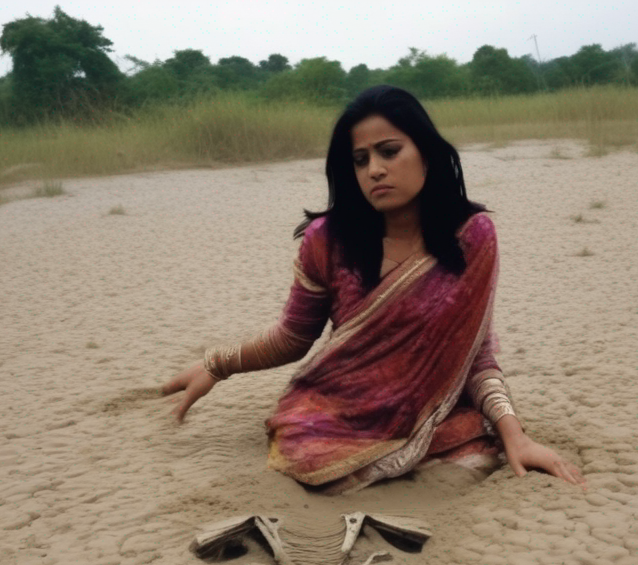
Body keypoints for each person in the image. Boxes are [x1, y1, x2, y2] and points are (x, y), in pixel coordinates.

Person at [163, 85, 585, 494]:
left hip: (424, 410)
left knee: (478, 447)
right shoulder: (326, 240)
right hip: (335, 407)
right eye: (360, 160)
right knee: (306, 453)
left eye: (389, 151)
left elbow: (476, 354)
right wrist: (216, 365)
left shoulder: (472, 237)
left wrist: (517, 435)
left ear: (426, 152)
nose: (375, 170)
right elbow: (294, 338)